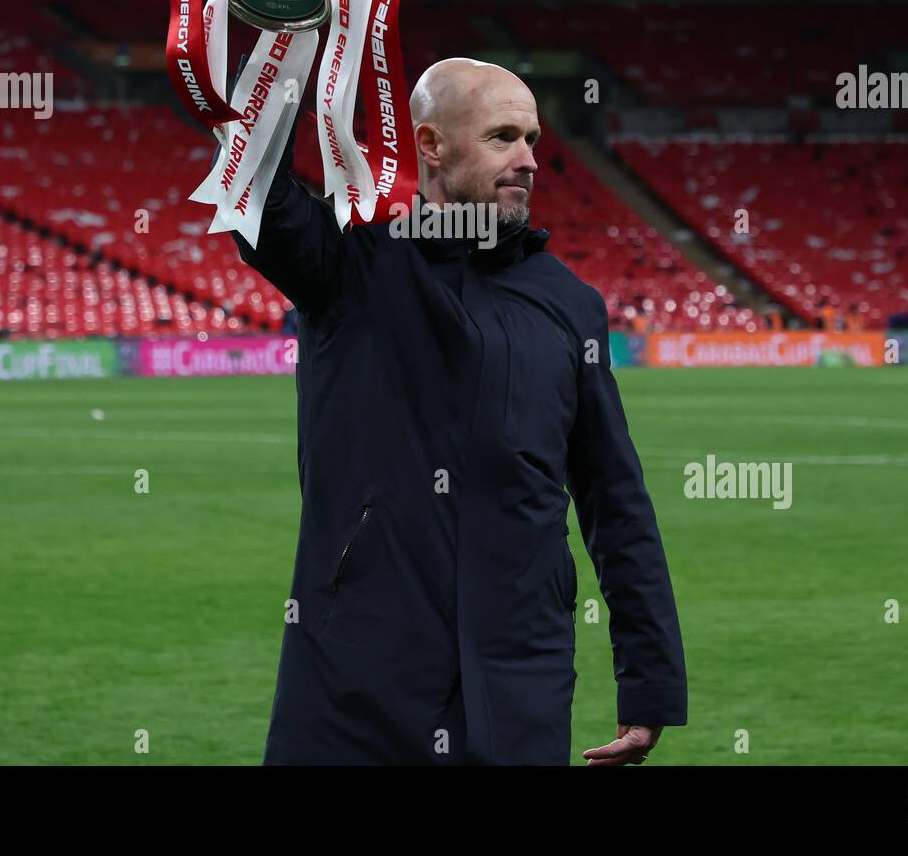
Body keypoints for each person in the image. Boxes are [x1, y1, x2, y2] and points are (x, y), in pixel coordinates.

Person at [231, 57, 686, 766]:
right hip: (354, 686)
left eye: (534, 138)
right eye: (504, 135)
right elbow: (258, 196)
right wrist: (288, 38)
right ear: (432, 145)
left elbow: (614, 497)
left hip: (518, 688)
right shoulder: (352, 268)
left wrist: (650, 682)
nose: (529, 159)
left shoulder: (570, 304)